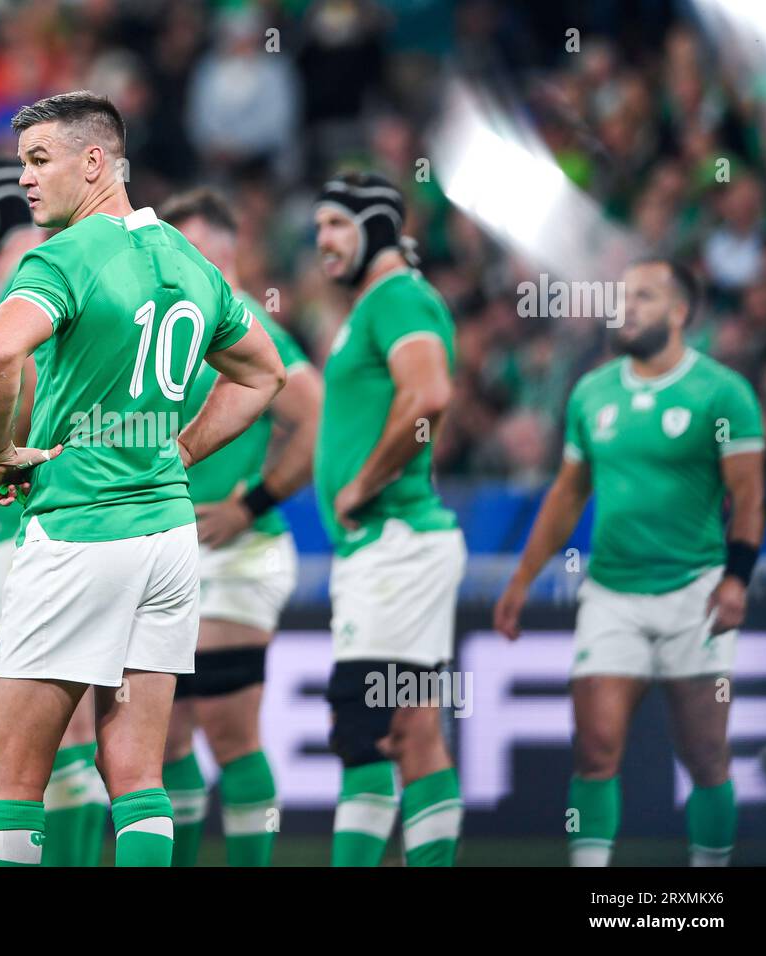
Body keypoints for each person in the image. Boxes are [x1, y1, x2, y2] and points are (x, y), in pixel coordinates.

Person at [0, 90, 285, 867]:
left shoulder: (65, 257)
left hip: (80, 527)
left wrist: (0, 451)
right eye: (22, 166)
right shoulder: (188, 260)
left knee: (12, 774)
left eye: (40, 162)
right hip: (170, 538)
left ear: (96, 161)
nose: (27, 183)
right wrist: (180, 451)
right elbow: (262, 374)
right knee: (138, 772)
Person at [494, 259, 764, 867]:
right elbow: (567, 493)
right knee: (595, 748)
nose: (626, 307)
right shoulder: (593, 391)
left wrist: (736, 579)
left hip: (694, 592)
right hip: (610, 594)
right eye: (621, 296)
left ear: (678, 312)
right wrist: (520, 579)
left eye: (643, 296)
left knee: (704, 755)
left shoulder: (722, 392)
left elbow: (747, 497)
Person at [0, 156, 108, 866]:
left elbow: (25, 373)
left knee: (41, 742)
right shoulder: (41, 263)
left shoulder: (32, 264)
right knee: (64, 734)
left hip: (32, 518)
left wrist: (10, 453)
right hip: (54, 518)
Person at [157, 187, 322, 866]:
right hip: (167, 553)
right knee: (162, 741)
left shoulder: (242, 320)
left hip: (235, 554)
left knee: (231, 736)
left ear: (224, 256)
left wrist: (250, 504)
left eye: (189, 248)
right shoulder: (166, 326)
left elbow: (318, 417)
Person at [313, 171, 464, 867]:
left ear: (377, 226)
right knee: (413, 730)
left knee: (362, 731)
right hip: (401, 545)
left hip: (393, 542)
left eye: (338, 225)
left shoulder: (397, 298)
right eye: (318, 229)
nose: (323, 243)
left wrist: (365, 482)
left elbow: (430, 393)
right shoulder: (384, 304)